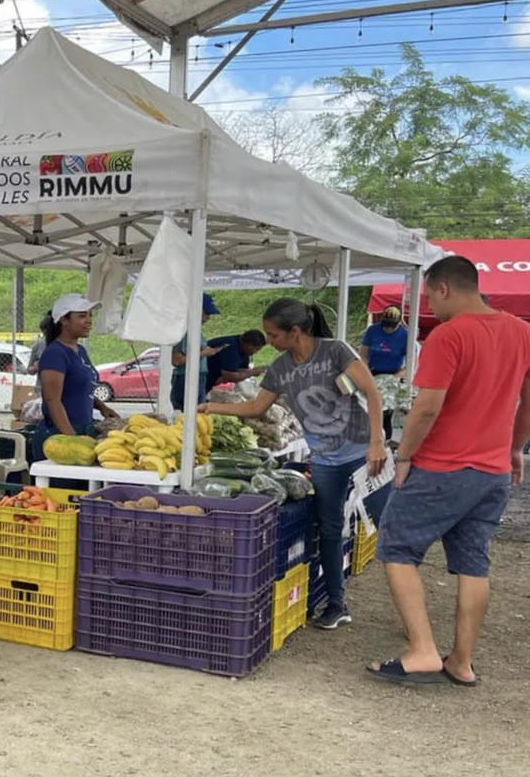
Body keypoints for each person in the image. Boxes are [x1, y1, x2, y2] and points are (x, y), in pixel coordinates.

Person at [368, 256, 530, 686]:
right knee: (473, 562)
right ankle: (461, 661)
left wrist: (403, 455)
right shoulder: (523, 332)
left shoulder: (449, 335)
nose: (428, 306)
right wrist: (515, 449)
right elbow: (528, 399)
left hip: (442, 467)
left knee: (397, 548)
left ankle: (421, 650)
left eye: (427, 296)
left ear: (443, 289)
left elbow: (427, 406)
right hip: (492, 470)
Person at [200, 298, 387, 630]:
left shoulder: (335, 351)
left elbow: (372, 392)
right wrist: (212, 408)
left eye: (273, 335)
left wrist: (376, 443)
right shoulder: (280, 369)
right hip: (325, 459)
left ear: (295, 331)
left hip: (361, 452)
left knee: (385, 521)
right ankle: (336, 602)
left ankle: (401, 588)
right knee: (328, 529)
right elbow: (256, 408)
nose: (268, 341)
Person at [32, 294, 118, 461]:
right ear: (64, 320)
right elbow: (52, 400)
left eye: (90, 315)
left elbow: (79, 388)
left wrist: (102, 407)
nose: (89, 320)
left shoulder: (80, 350)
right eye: (82, 316)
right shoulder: (54, 354)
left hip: (81, 430)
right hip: (60, 436)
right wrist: (72, 439)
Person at [360, 305, 409, 440]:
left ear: (399, 322)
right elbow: (363, 354)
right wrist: (365, 371)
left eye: (391, 326)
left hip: (394, 374)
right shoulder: (372, 331)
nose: (388, 328)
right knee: (369, 408)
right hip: (372, 372)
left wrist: (395, 377)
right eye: (386, 325)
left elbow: (412, 364)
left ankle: (385, 439)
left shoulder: (405, 335)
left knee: (386, 412)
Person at [170, 293, 225, 411]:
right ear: (195, 310)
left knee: (198, 412)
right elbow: (176, 360)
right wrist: (203, 353)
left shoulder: (196, 331)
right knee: (187, 412)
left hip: (199, 375)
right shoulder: (184, 332)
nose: (207, 318)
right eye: (206, 313)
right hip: (186, 377)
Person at [205, 329, 267, 394]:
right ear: (249, 344)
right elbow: (230, 376)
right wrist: (251, 373)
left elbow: (238, 371)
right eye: (256, 349)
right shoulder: (231, 349)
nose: (255, 352)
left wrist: (253, 371)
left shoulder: (243, 350)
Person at [27, 315, 48, 393]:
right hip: (41, 389)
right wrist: (36, 367)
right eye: (45, 332)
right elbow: (29, 370)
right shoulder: (39, 345)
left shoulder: (64, 346)